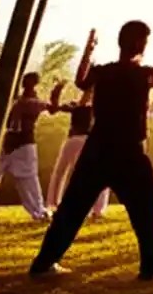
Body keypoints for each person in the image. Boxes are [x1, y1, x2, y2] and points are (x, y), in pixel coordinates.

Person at [30, 23, 153, 279]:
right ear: (141, 45)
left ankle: (43, 263)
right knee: (147, 208)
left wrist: (88, 50)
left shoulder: (103, 72)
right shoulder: (144, 74)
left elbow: (80, 80)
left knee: (73, 207)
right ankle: (152, 265)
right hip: (129, 150)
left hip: (97, 147)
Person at [0, 74, 64, 221]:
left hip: (13, 143)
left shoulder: (23, 102)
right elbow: (52, 108)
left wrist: (56, 90)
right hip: (20, 144)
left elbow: (50, 108)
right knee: (26, 179)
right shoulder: (31, 102)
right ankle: (38, 211)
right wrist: (57, 90)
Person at [46, 87, 109, 220]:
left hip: (86, 141)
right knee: (60, 171)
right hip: (72, 140)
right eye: (87, 92)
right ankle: (54, 203)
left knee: (90, 174)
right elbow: (55, 107)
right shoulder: (74, 106)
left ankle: (96, 208)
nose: (88, 95)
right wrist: (56, 91)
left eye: (90, 92)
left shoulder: (97, 108)